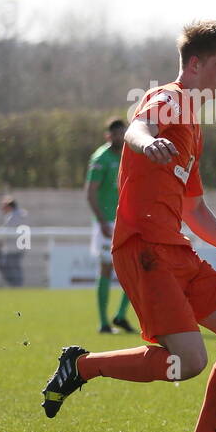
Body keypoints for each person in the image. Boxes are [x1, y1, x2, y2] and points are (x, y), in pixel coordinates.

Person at [39, 21, 216, 432]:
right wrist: (148, 143)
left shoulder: (193, 123)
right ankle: (82, 367)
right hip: (144, 247)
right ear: (195, 64)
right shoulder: (170, 98)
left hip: (174, 247)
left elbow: (195, 210)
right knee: (189, 361)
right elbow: (137, 128)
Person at [86, 119, 136, 334]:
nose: (119, 138)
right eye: (115, 134)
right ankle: (104, 323)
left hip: (127, 220)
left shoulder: (131, 155)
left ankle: (121, 315)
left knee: (136, 269)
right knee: (107, 268)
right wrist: (101, 222)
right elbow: (90, 192)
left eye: (122, 133)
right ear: (109, 136)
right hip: (107, 221)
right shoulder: (101, 158)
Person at [0, 196, 28, 286]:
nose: (2, 208)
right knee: (11, 266)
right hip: (19, 246)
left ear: (9, 206)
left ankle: (16, 286)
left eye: (3, 206)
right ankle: (16, 286)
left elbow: (6, 231)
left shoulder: (13, 216)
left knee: (10, 267)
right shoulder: (21, 214)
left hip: (13, 247)